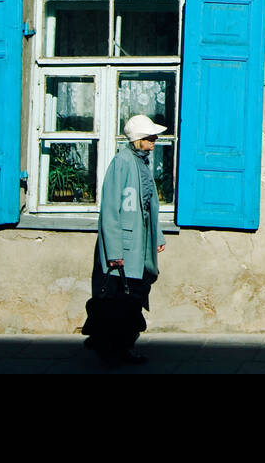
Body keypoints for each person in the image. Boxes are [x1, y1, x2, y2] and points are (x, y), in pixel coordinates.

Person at [82, 114, 167, 366]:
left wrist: (158, 235)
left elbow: (148, 207)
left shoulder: (142, 163)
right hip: (124, 249)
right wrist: (114, 252)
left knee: (133, 300)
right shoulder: (122, 162)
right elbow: (109, 209)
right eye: (150, 137)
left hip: (139, 247)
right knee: (120, 302)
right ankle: (113, 349)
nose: (155, 140)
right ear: (138, 139)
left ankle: (124, 347)